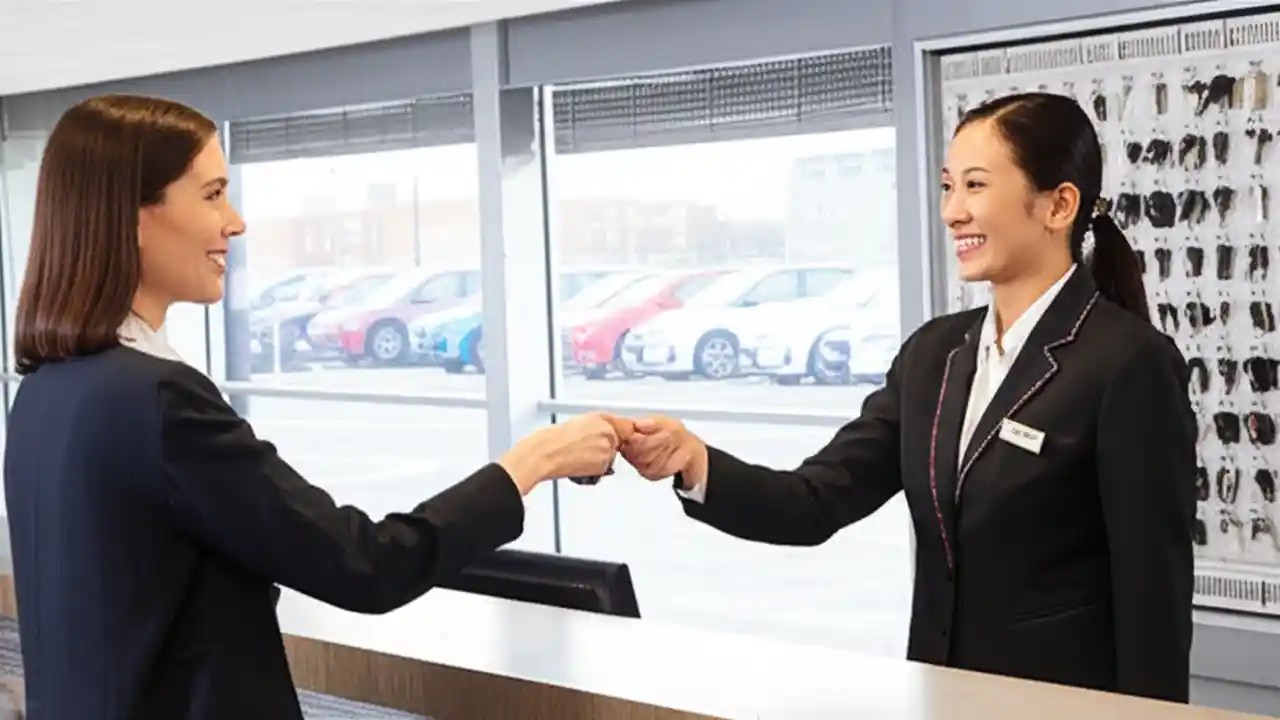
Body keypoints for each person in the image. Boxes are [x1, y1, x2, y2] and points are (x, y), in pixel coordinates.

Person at [2, 94, 628, 719]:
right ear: (134, 216)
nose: (236, 222)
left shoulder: (45, 393)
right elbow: (366, 565)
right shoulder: (158, 400)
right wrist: (526, 466)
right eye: (213, 194)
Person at [620, 92, 1196, 702]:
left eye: (975, 186)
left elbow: (1152, 603)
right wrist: (693, 461)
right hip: (941, 697)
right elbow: (814, 501)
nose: (953, 212)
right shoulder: (934, 357)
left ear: (1058, 205)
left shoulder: (1128, 363)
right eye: (949, 187)